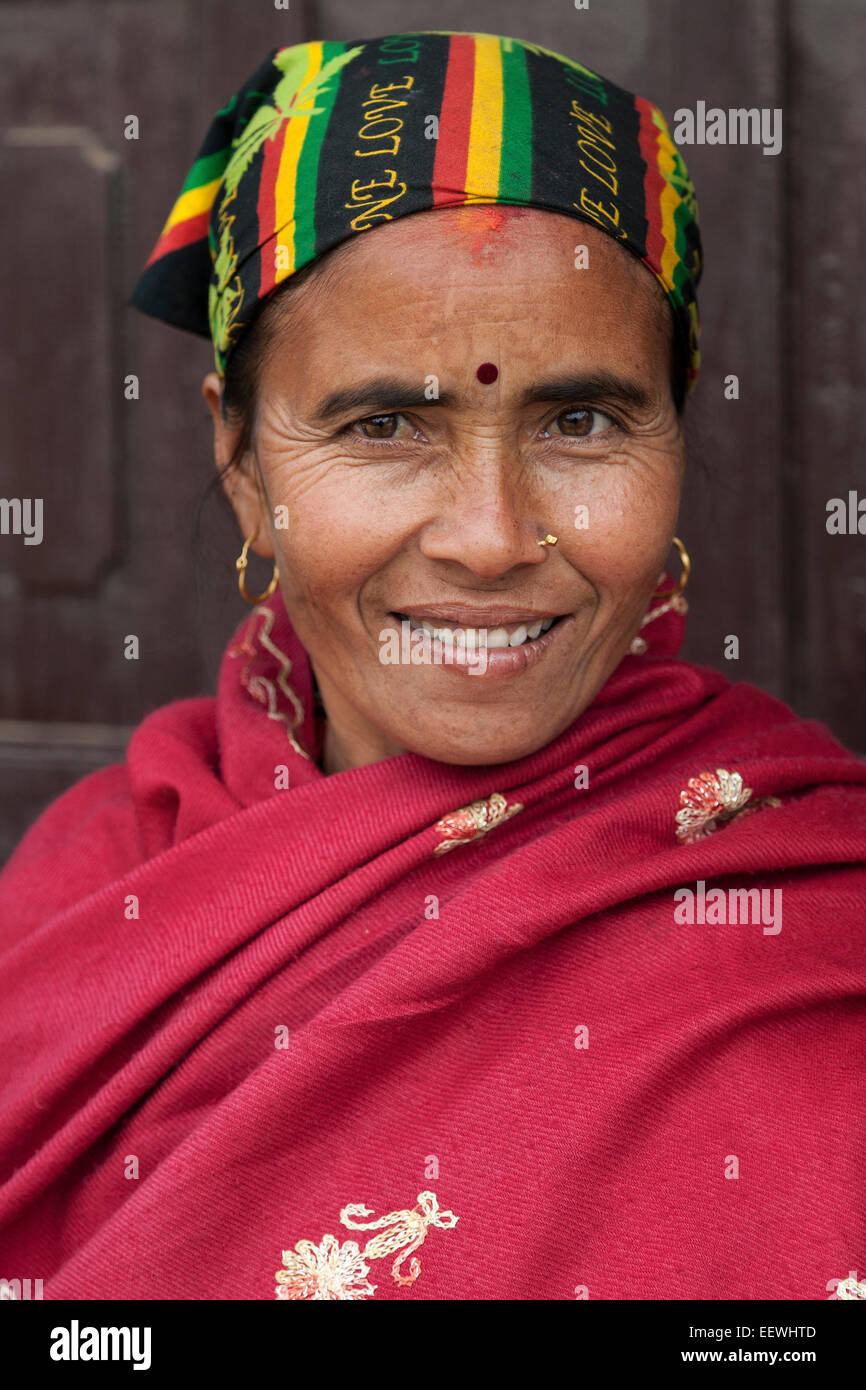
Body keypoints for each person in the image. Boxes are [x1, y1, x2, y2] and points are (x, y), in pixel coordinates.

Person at [0, 31, 864, 1302]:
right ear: (240, 462)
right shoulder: (97, 887)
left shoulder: (801, 924)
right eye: (383, 424)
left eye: (580, 420)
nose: (491, 538)